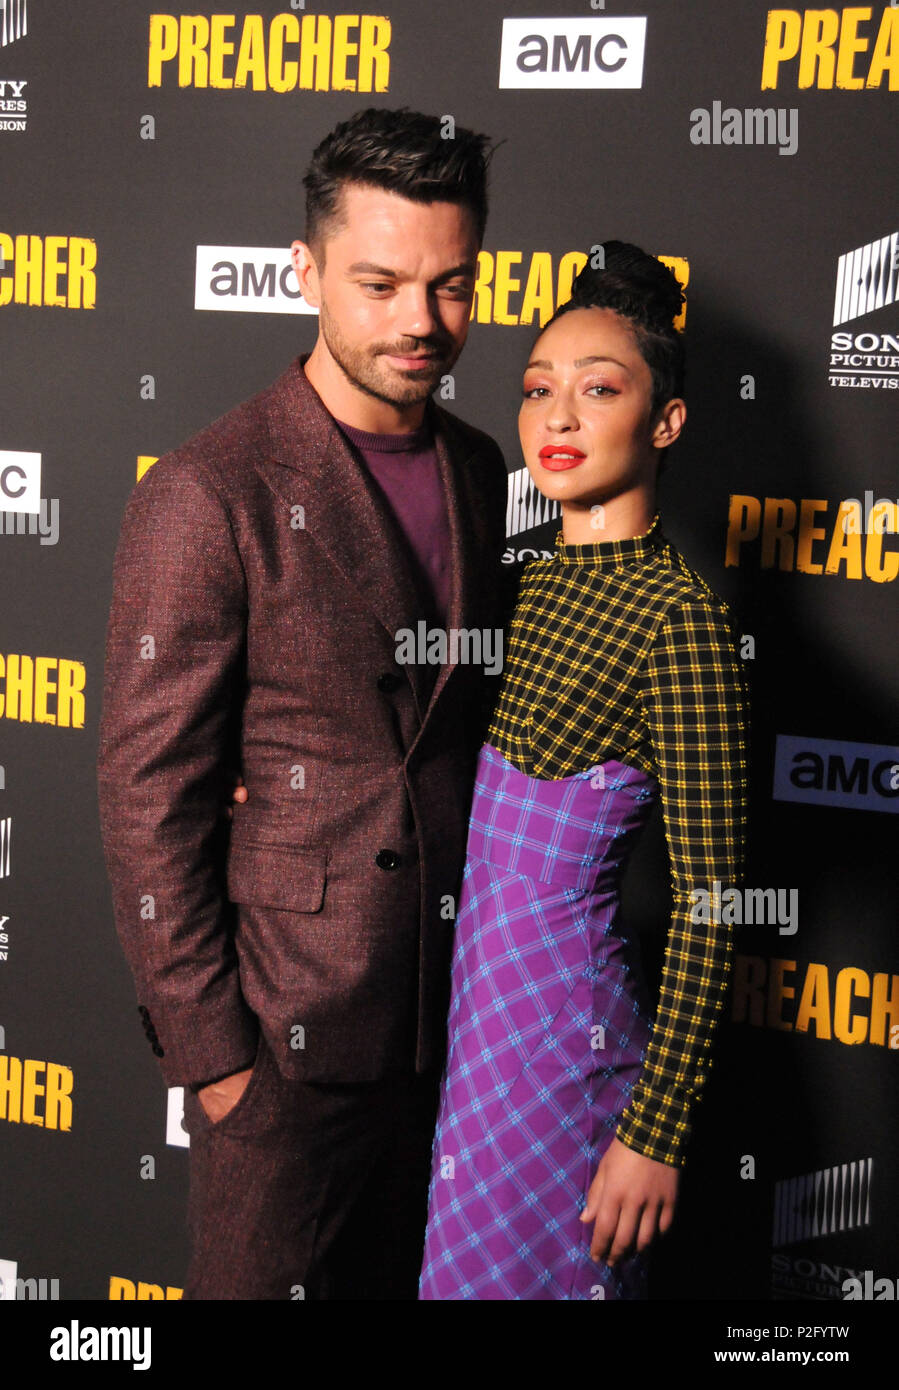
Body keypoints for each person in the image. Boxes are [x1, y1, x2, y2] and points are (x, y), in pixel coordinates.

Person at [96, 107, 508, 1300]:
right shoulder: (208, 491)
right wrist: (217, 1056)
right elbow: (144, 791)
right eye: (379, 284)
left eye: (449, 285)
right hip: (282, 1042)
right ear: (305, 272)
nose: (420, 323)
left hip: (456, 1029)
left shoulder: (481, 466)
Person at [416, 242, 750, 1300]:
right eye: (536, 390)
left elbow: (710, 903)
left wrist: (653, 1132)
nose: (556, 418)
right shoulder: (512, 579)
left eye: (598, 390)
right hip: (462, 1032)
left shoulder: (679, 621)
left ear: (664, 422)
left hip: (566, 1049)